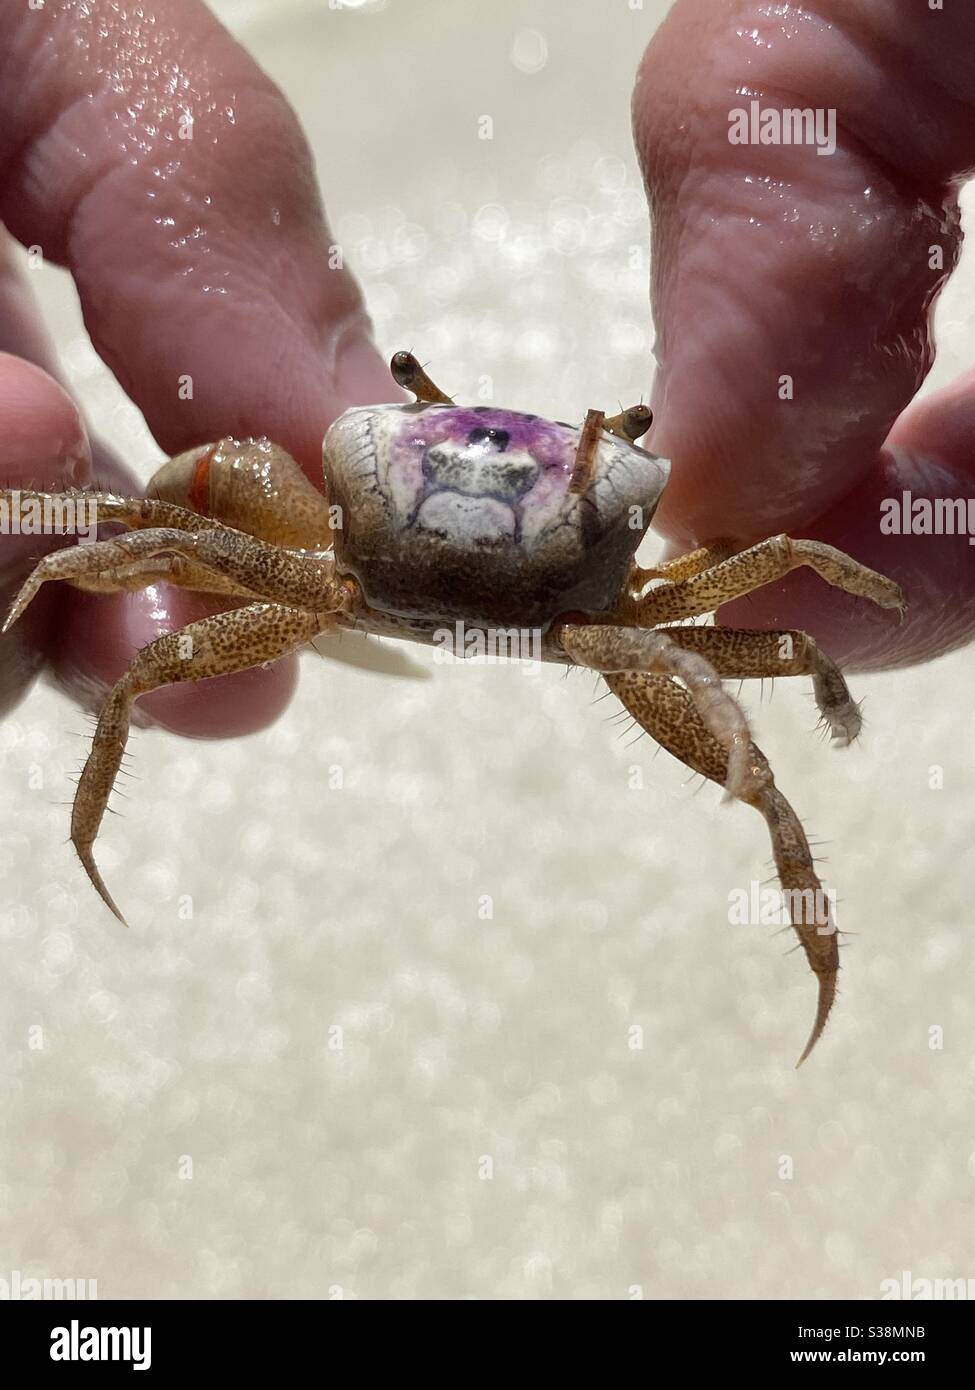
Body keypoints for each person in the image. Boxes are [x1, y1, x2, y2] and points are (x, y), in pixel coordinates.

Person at [0, 0, 971, 737]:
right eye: (424, 420)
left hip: (587, 622)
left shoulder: (631, 623)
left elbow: (791, 577)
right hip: (391, 588)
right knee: (139, 536)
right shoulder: (323, 538)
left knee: (753, 719)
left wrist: (822, 659)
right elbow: (173, 504)